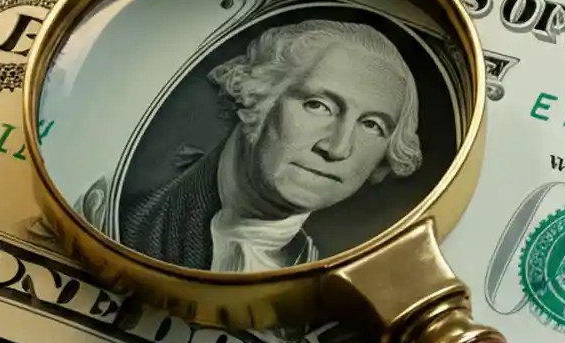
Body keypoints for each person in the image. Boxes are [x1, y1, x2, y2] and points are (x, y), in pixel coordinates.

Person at [77, 18, 424, 273]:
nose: (337, 148)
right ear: (258, 96)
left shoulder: (319, 267)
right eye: (319, 105)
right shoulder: (107, 218)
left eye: (372, 125)